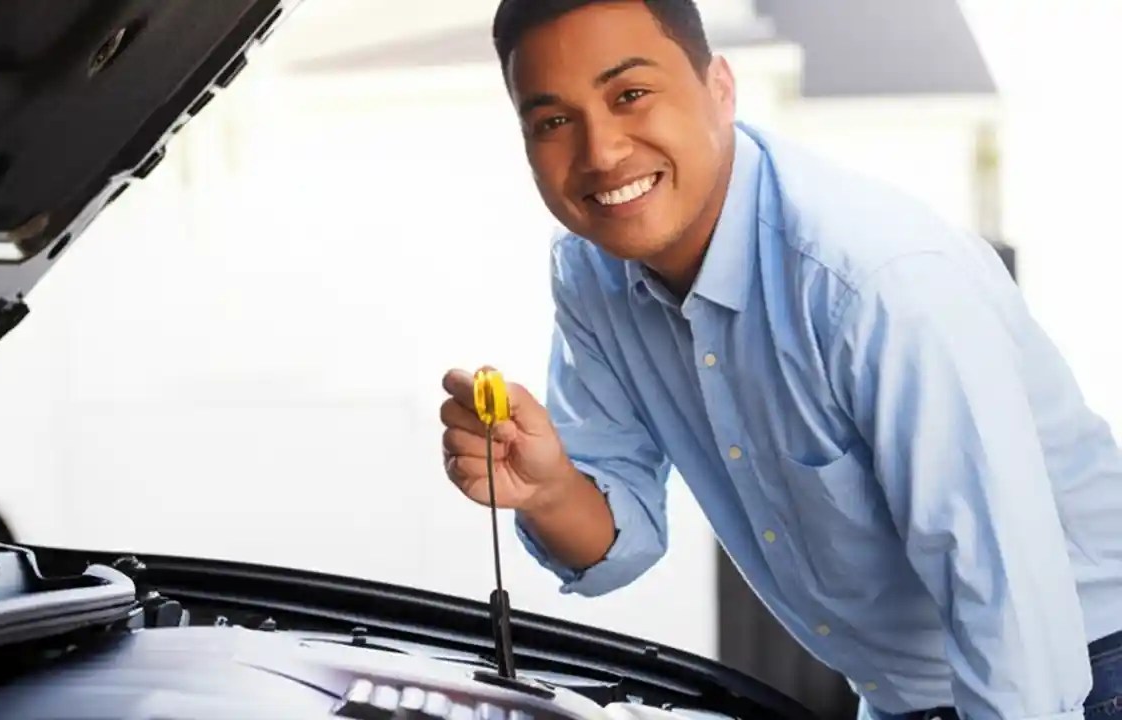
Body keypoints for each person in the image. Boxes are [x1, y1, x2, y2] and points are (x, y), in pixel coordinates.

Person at [437, 1, 1122, 719]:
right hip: (911, 695)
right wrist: (546, 490)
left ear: (720, 87)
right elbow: (622, 544)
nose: (601, 151)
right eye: (552, 121)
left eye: (630, 95)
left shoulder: (872, 280)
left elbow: (1002, 591)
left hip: (1079, 669)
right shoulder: (593, 270)